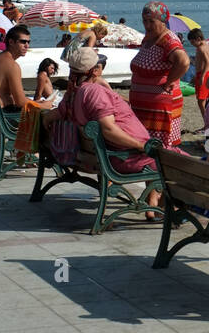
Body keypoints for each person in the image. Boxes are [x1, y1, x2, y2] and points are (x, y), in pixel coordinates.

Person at [44, 48, 160, 212]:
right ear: (93, 70)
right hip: (122, 158)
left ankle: (153, 203)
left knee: (160, 153)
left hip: (97, 155)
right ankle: (164, 207)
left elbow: (51, 116)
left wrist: (46, 124)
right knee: (170, 158)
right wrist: (140, 145)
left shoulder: (72, 93)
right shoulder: (93, 91)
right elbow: (108, 129)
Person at [130, 2, 190, 148]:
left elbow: (183, 61)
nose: (147, 25)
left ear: (163, 22)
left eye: (152, 21)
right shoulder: (149, 38)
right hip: (145, 109)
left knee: (160, 148)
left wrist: (170, 80)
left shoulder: (168, 40)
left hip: (161, 109)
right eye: (145, 21)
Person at [187, 27, 209, 117]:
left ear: (198, 39)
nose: (192, 44)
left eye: (192, 42)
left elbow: (207, 61)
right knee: (208, 99)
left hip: (202, 74)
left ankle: (207, 123)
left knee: (201, 101)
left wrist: (202, 76)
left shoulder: (200, 48)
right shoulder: (207, 46)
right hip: (208, 74)